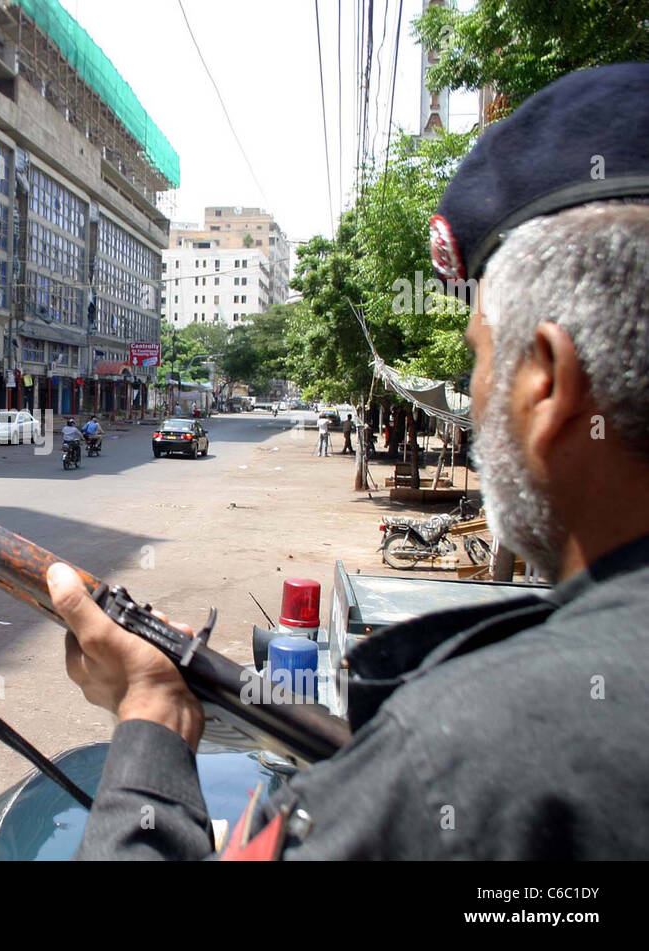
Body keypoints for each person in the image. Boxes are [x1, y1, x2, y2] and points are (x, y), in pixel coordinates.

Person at [47, 63, 649, 859]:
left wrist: (152, 721)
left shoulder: (458, 763)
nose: (473, 392)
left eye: (478, 356)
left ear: (545, 383)